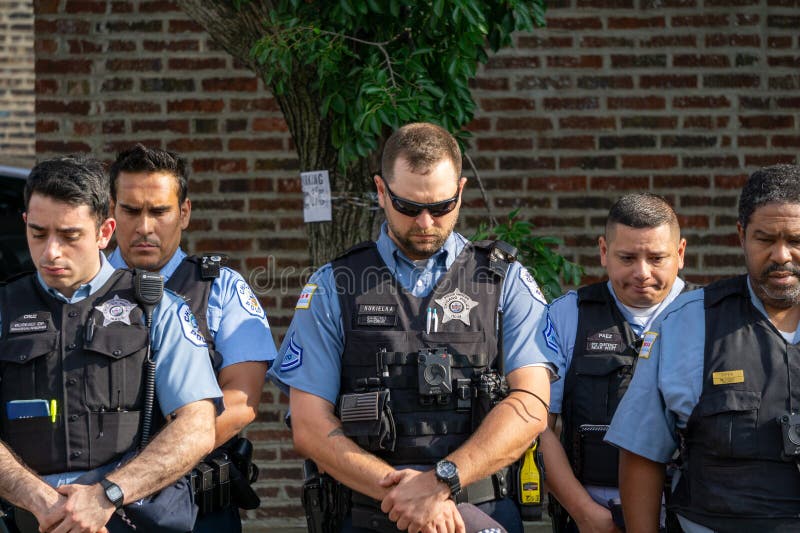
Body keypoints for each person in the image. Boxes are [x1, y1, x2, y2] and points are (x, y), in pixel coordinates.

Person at [269, 122, 554, 533]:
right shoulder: (335, 284)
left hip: (481, 512)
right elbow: (309, 426)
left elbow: (530, 407)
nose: (425, 221)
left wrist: (441, 481)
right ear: (382, 192)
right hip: (370, 514)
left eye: (441, 207)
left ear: (461, 190)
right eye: (408, 206)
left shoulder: (503, 281)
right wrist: (407, 496)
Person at [0, 155, 222, 533]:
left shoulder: (156, 309)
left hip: (130, 517)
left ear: (105, 232)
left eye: (70, 236)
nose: (51, 251)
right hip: (29, 520)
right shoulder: (4, 307)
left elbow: (198, 426)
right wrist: (43, 502)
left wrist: (105, 496)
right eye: (38, 233)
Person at [606, 164, 800, 532]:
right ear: (741, 235)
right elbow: (641, 452)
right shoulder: (689, 321)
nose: (781, 255)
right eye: (765, 239)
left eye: (795, 240)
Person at [107, 144, 277, 532]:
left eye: (159, 211)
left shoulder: (221, 288)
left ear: (184, 212)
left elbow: (242, 401)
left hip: (195, 506)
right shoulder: (84, 289)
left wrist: (142, 471)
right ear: (110, 214)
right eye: (131, 211)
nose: (145, 226)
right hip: (93, 505)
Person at [540, 194, 688, 533]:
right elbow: (536, 427)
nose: (642, 272)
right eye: (627, 257)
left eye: (656, 258)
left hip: (686, 509)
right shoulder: (567, 315)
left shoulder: (708, 315)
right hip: (591, 508)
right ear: (604, 252)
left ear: (680, 254)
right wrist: (585, 513)